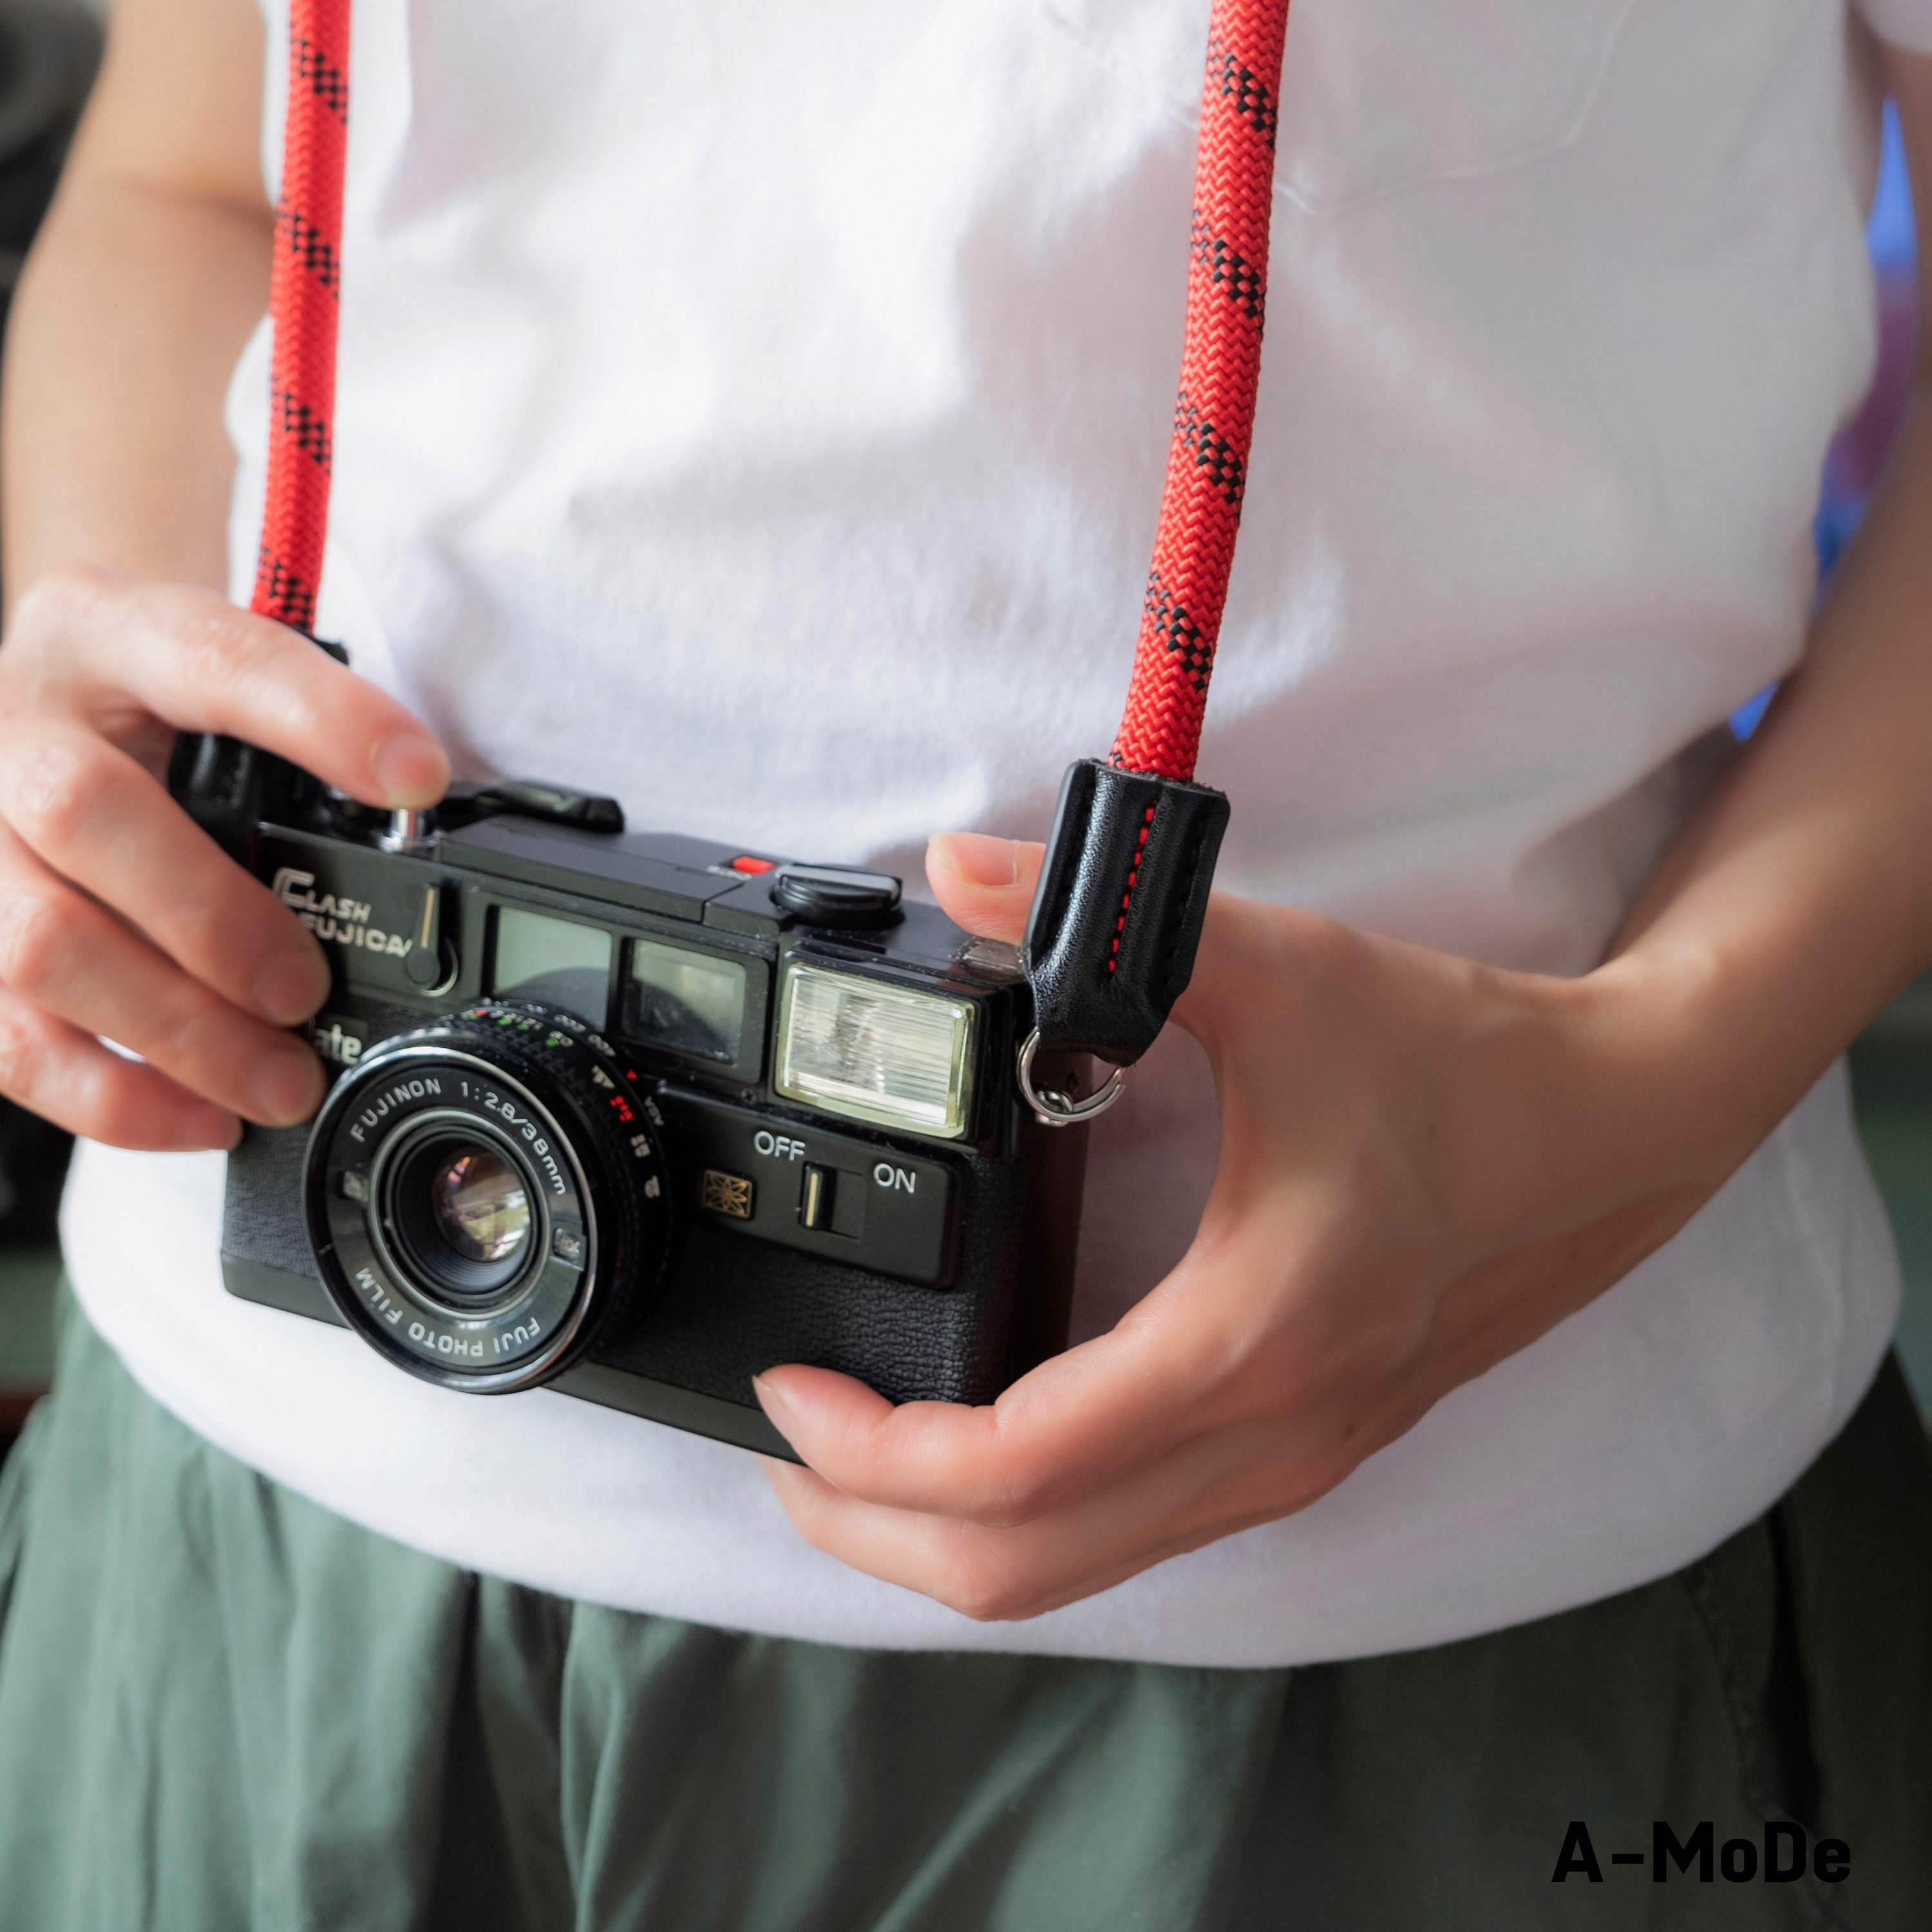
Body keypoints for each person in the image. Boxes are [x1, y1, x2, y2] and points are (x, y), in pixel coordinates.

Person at [0, 0, 1929, 1923]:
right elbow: (187, 167)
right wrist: (99, 747)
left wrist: (1643, 1092)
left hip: (1426, 1611)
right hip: (251, 1452)